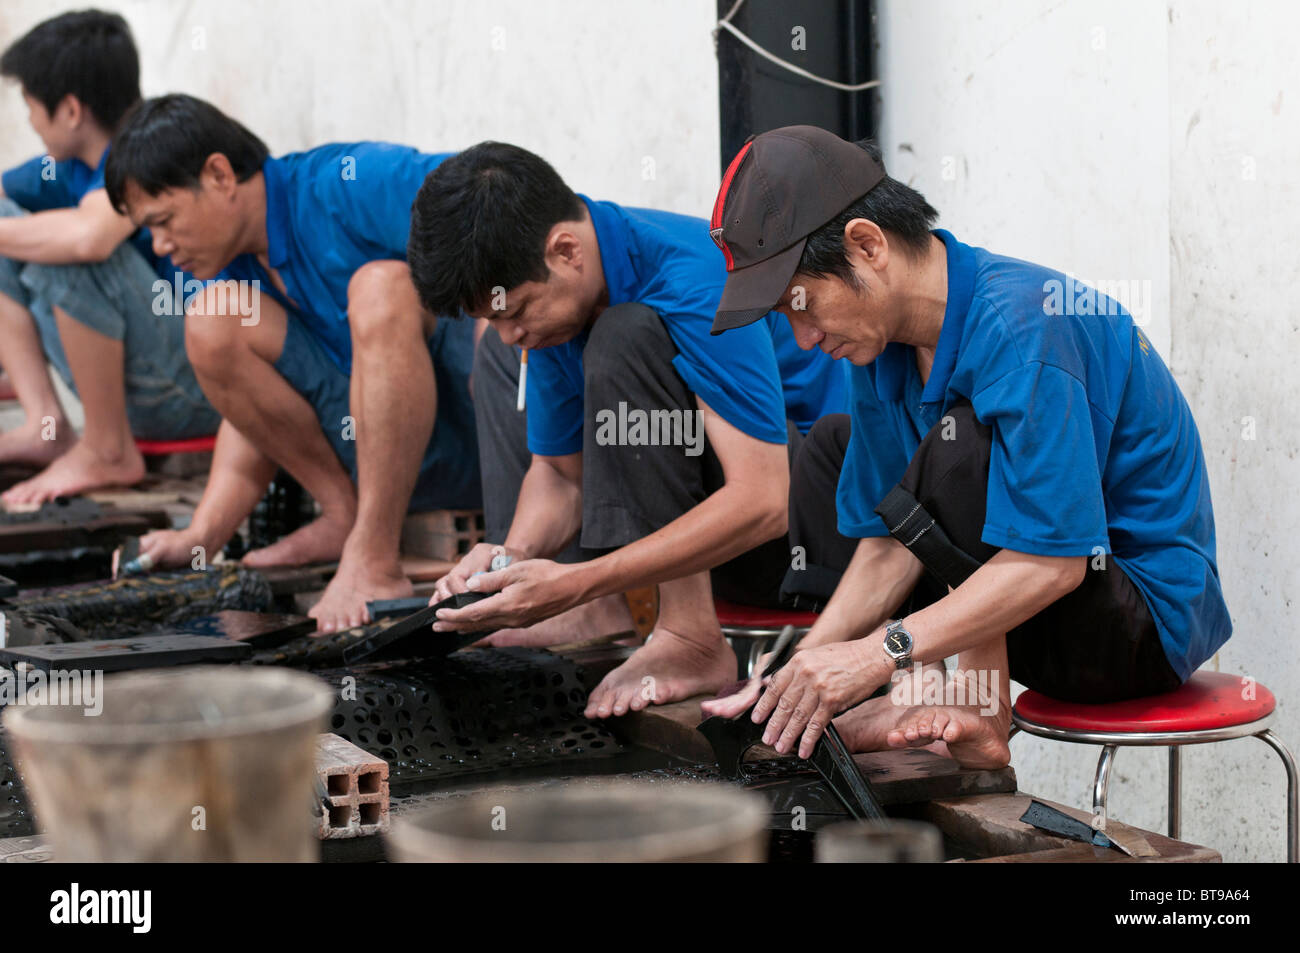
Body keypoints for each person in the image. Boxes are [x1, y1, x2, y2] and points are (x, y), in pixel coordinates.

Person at [701, 126, 1232, 769]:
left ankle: (977, 711)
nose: (804, 338)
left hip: (1132, 628)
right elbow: (887, 543)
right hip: (1034, 615)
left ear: (867, 246)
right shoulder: (878, 350)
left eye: (802, 306)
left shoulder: (1024, 326)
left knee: (966, 442)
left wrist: (877, 655)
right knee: (836, 443)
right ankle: (928, 689)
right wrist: (795, 676)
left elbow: (1054, 565)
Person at [409, 142, 849, 719]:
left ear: (565, 250)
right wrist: (506, 559)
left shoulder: (691, 277)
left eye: (514, 312)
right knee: (575, 342)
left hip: (817, 547)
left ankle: (689, 639)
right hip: (723, 545)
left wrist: (581, 581)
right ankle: (663, 626)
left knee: (626, 335)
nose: (509, 333)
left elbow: (765, 500)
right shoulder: (564, 300)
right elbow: (561, 478)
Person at [104, 94, 480, 632]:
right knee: (212, 319)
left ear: (218, 175)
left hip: (482, 435)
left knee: (379, 287)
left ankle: (373, 555)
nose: (162, 246)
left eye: (164, 221)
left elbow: (499, 213)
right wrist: (202, 536)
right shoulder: (217, 270)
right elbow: (252, 417)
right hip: (376, 458)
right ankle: (345, 516)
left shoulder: (347, 184)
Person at [0, 10, 218, 502]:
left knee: (68, 250)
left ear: (72, 111)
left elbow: (90, 240)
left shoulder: (145, 153)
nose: (31, 122)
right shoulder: (67, 166)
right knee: (12, 227)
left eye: (32, 107)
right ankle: (45, 424)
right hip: (149, 381)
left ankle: (106, 448)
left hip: (195, 390)